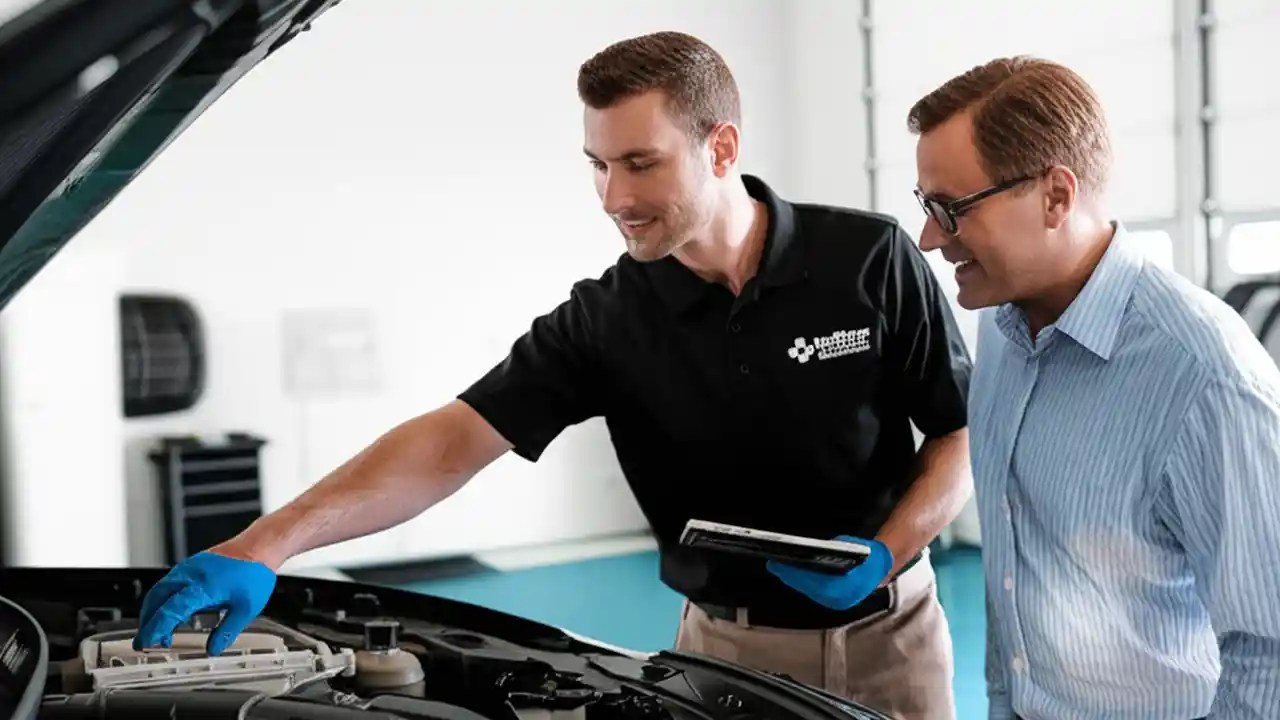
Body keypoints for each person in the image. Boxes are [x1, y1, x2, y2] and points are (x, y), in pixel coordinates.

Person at [133, 31, 974, 718]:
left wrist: (888, 551)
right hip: (723, 653)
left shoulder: (868, 258)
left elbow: (961, 429)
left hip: (891, 639)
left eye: (639, 163)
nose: (611, 197)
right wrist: (266, 544)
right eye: (597, 165)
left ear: (720, 148)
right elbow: (451, 443)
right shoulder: (607, 318)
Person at [909, 55, 1280, 720]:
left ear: (1056, 195)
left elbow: (1269, 655)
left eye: (951, 209)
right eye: (925, 206)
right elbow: (1013, 584)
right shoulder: (1001, 328)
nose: (930, 237)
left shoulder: (1205, 377)